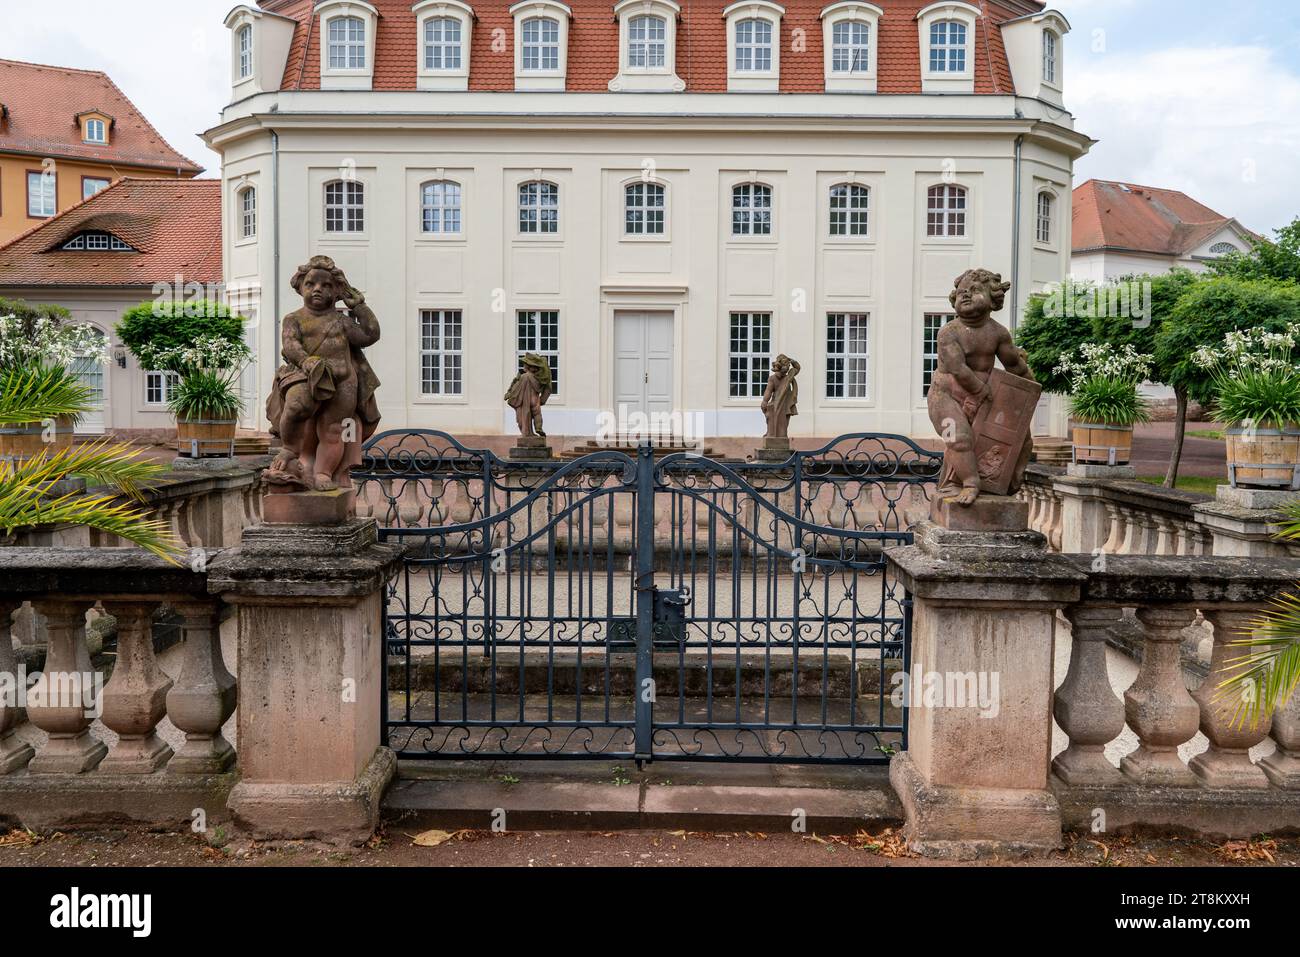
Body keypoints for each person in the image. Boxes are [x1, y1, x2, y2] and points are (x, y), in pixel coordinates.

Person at [265, 256, 381, 491]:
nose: (318, 289)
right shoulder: (294, 319)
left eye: (326, 285)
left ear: (336, 290)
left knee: (333, 430)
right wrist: (306, 361)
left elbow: (370, 334)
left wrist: (359, 306)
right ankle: (290, 449)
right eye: (311, 284)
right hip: (307, 376)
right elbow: (290, 345)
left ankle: (323, 473)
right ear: (300, 287)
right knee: (297, 408)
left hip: (342, 381)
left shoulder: (341, 321)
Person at [927, 268, 1035, 506]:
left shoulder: (997, 332)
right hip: (945, 397)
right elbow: (957, 369)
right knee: (958, 438)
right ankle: (970, 483)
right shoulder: (948, 332)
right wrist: (980, 391)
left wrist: (1032, 386)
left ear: (993, 299)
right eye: (961, 292)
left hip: (983, 398)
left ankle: (1008, 483)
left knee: (1023, 440)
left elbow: (1014, 365)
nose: (965, 296)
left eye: (974, 291)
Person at [504, 353, 553, 438]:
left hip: (523, 400)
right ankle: (539, 428)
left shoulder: (524, 377)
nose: (523, 366)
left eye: (525, 364)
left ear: (529, 366)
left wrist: (509, 394)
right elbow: (548, 389)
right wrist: (542, 400)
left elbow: (515, 388)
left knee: (522, 419)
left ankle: (526, 432)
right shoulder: (541, 378)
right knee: (537, 414)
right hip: (535, 399)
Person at [761, 354, 800, 439]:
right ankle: (770, 434)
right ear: (780, 366)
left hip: (786, 403)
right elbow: (768, 391)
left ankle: (782, 436)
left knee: (785, 422)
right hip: (776, 402)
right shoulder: (772, 378)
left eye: (788, 366)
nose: (787, 368)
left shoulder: (788, 377)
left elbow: (797, 368)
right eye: (786, 366)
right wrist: (765, 401)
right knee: (770, 418)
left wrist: (792, 360)